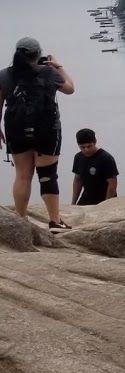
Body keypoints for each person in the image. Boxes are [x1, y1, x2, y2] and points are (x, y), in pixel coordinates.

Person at [0, 37, 76, 230]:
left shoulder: (4, 76)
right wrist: (58, 66)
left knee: (22, 176)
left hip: (16, 131)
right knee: (48, 175)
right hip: (47, 130)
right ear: (37, 54)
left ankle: (20, 220)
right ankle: (55, 221)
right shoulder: (49, 72)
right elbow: (70, 89)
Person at [70, 128, 118, 207]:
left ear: (95, 142)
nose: (86, 150)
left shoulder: (106, 158)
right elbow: (78, 180)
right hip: (86, 199)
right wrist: (73, 203)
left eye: (89, 146)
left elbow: (112, 183)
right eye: (82, 147)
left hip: (104, 199)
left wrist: (106, 205)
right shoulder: (78, 157)